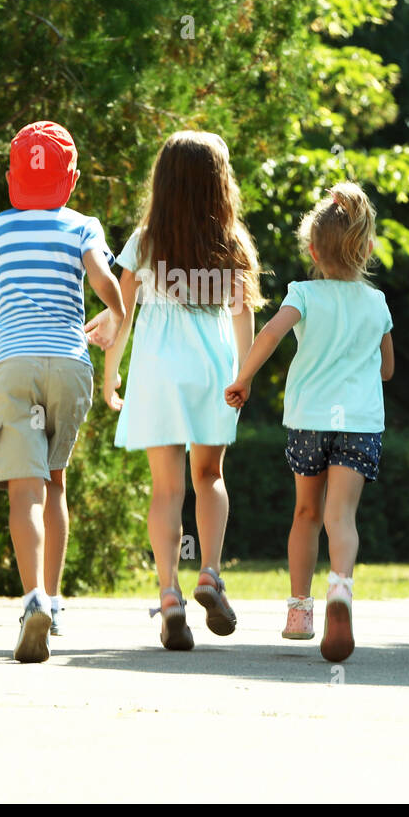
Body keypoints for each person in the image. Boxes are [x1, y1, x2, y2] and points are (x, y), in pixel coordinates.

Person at [87, 131, 260, 650]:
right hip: (212, 368)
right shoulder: (231, 243)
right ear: (220, 184)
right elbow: (243, 313)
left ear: (162, 181)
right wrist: (243, 375)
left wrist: (111, 372)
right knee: (209, 474)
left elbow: (123, 312)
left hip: (158, 369)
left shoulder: (145, 241)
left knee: (166, 490)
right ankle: (209, 572)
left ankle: (169, 595)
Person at [0, 120, 125, 663]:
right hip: (66, 362)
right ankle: (55, 603)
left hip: (13, 363)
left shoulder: (0, 227)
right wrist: (116, 313)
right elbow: (104, 278)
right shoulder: (83, 226)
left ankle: (33, 596)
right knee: (56, 482)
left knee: (25, 489)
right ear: (74, 178)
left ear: (14, 177)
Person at [225, 182, 392, 662]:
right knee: (342, 516)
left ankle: (300, 611)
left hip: (309, 420)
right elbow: (387, 370)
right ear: (366, 248)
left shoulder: (302, 292)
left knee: (306, 514)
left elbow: (273, 331)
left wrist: (244, 378)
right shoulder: (376, 303)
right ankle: (340, 590)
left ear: (313, 250)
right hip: (359, 422)